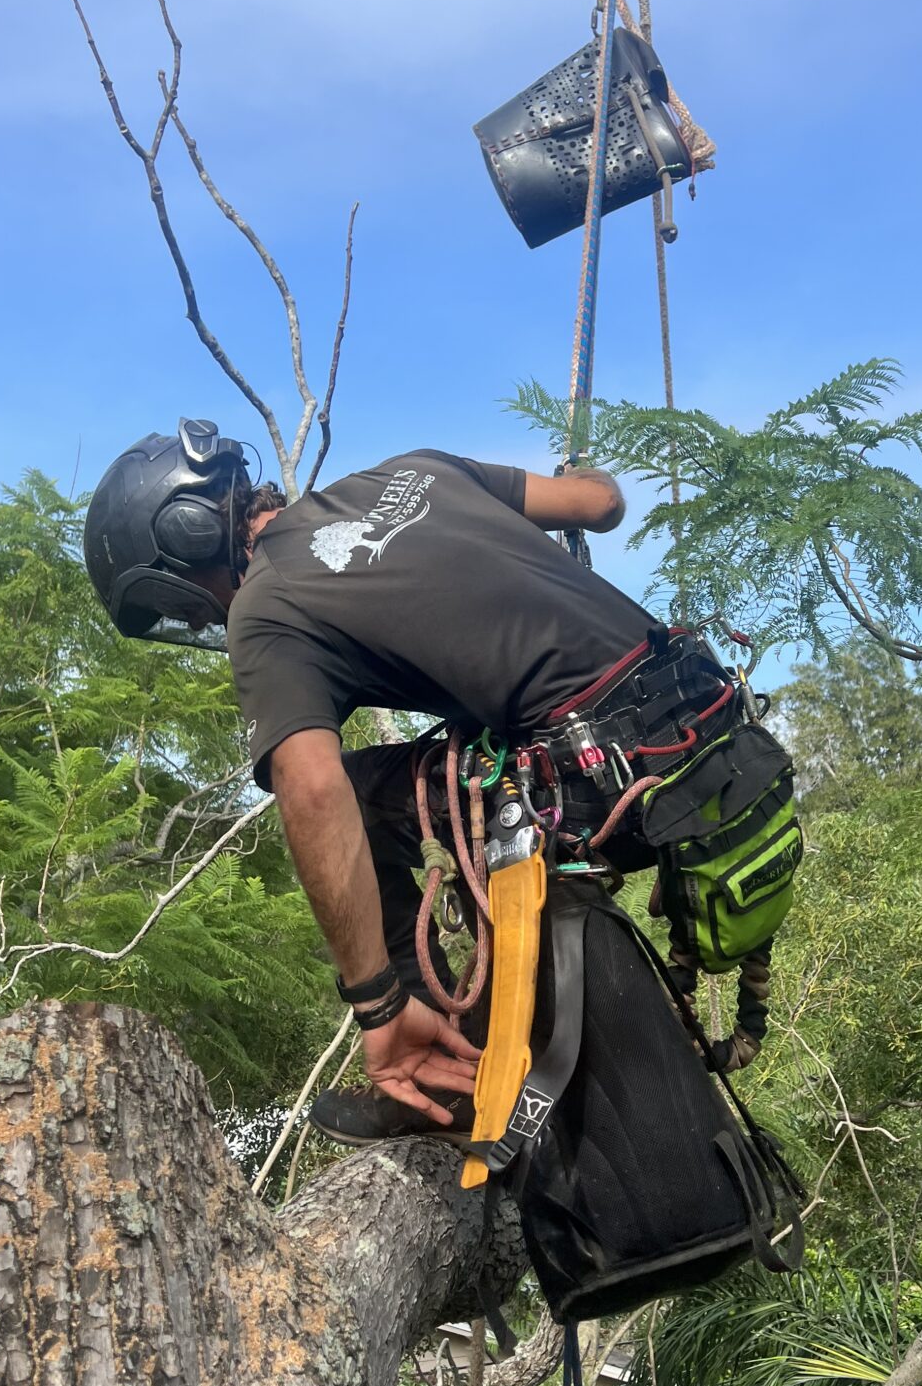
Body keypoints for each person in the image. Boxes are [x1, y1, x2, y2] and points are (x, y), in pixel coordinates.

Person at [84, 420, 775, 1145]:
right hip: (713, 741)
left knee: (352, 790)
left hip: (597, 781)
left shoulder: (264, 602)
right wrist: (590, 472)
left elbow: (313, 791)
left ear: (191, 531)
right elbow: (600, 505)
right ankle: (486, 1031)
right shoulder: (416, 468)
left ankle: (432, 1065)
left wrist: (376, 1006)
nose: (198, 616)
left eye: (182, 600)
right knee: (460, 745)